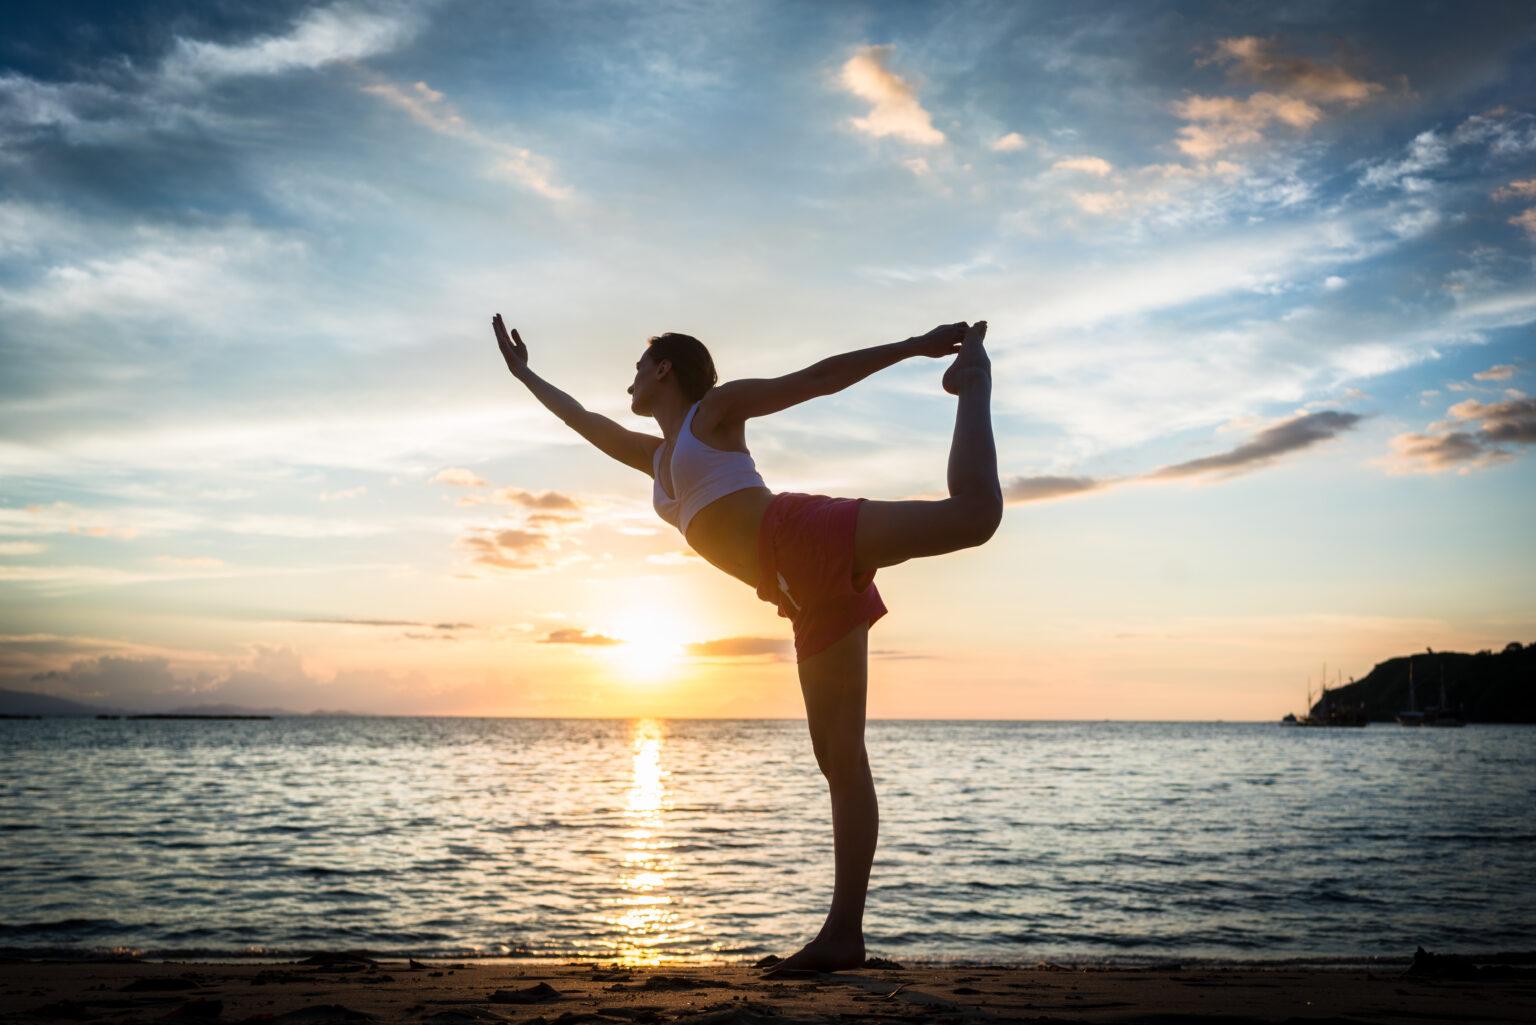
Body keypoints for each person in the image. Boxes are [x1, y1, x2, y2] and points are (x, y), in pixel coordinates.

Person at [492, 313, 1002, 974]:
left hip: (798, 534)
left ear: (665, 369)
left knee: (973, 516)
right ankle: (844, 935)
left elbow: (815, 380)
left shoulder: (716, 411)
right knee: (840, 759)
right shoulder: (657, 455)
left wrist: (913, 348)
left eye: (638, 368)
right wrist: (525, 373)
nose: (630, 382)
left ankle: (974, 380)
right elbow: (581, 419)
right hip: (794, 591)